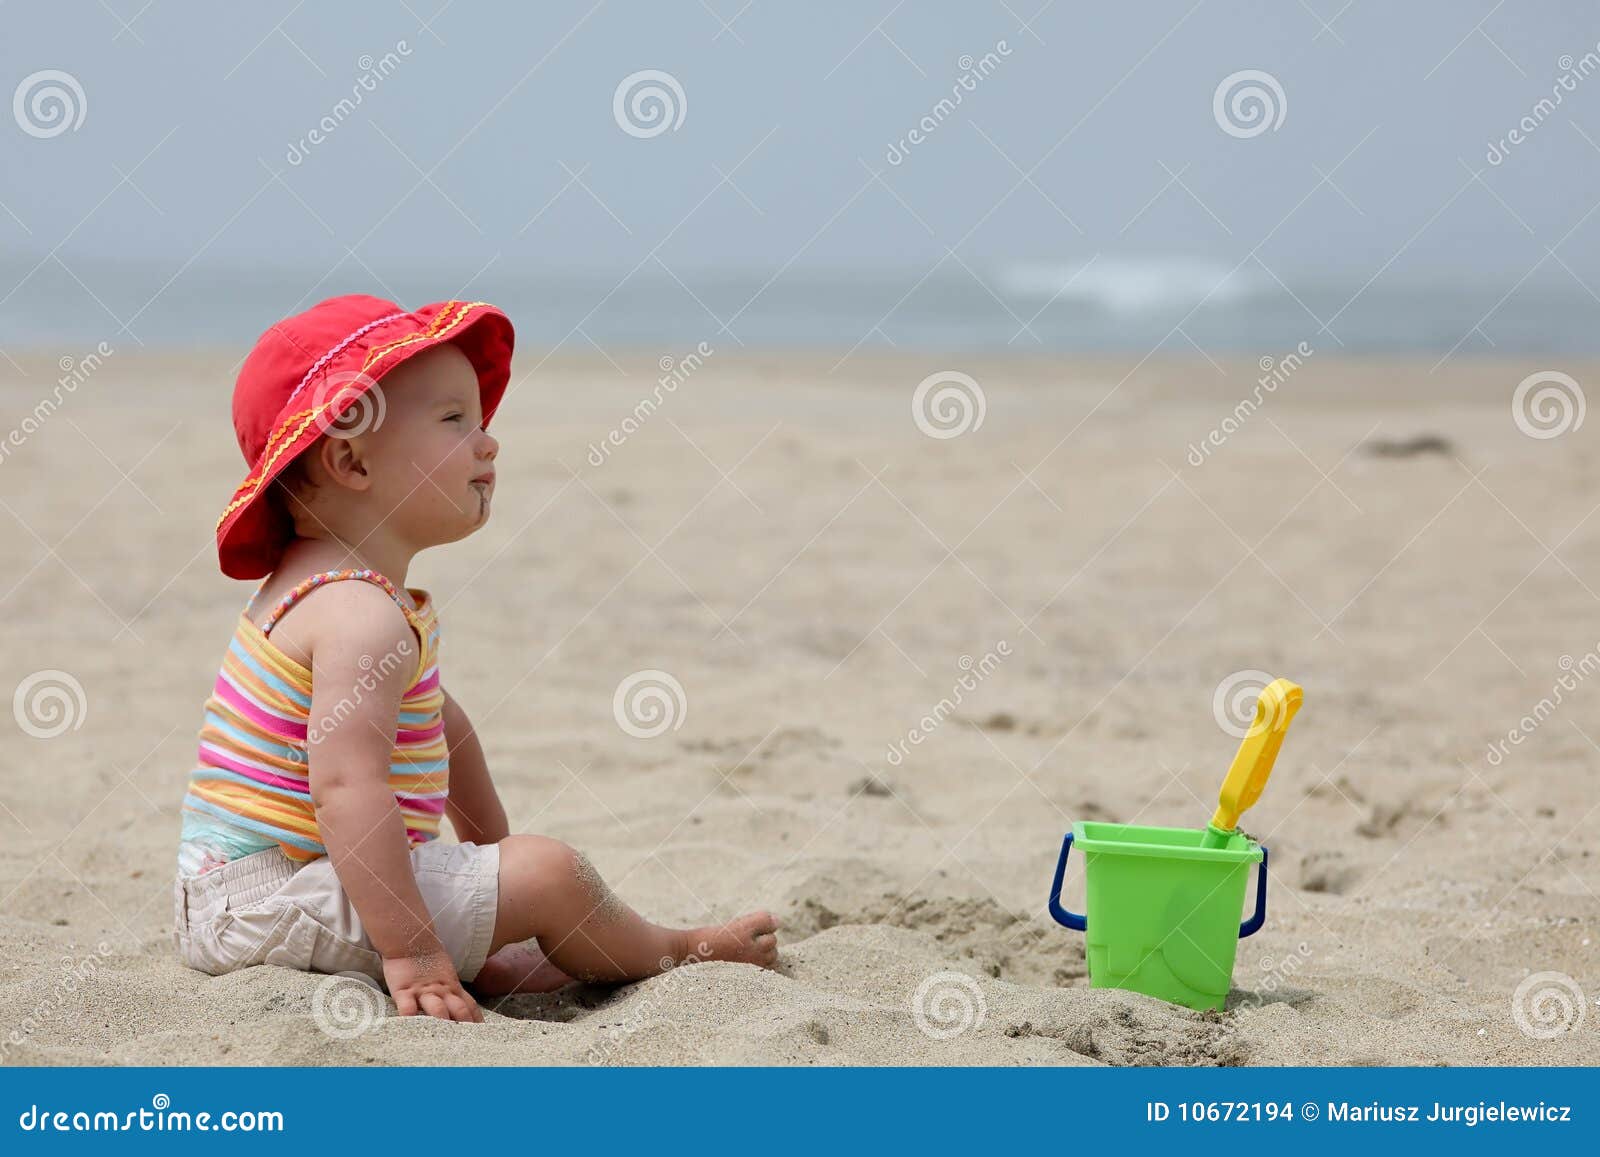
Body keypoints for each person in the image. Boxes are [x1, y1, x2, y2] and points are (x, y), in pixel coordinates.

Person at [171, 294, 778, 1022]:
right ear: (350, 459)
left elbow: (444, 733)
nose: (488, 443)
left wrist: (492, 871)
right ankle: (674, 948)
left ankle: (495, 928)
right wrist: (416, 953)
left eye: (482, 420)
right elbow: (345, 790)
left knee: (526, 872)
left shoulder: (324, 592)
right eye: (455, 419)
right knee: (555, 873)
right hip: (275, 899)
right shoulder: (361, 616)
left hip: (243, 895)